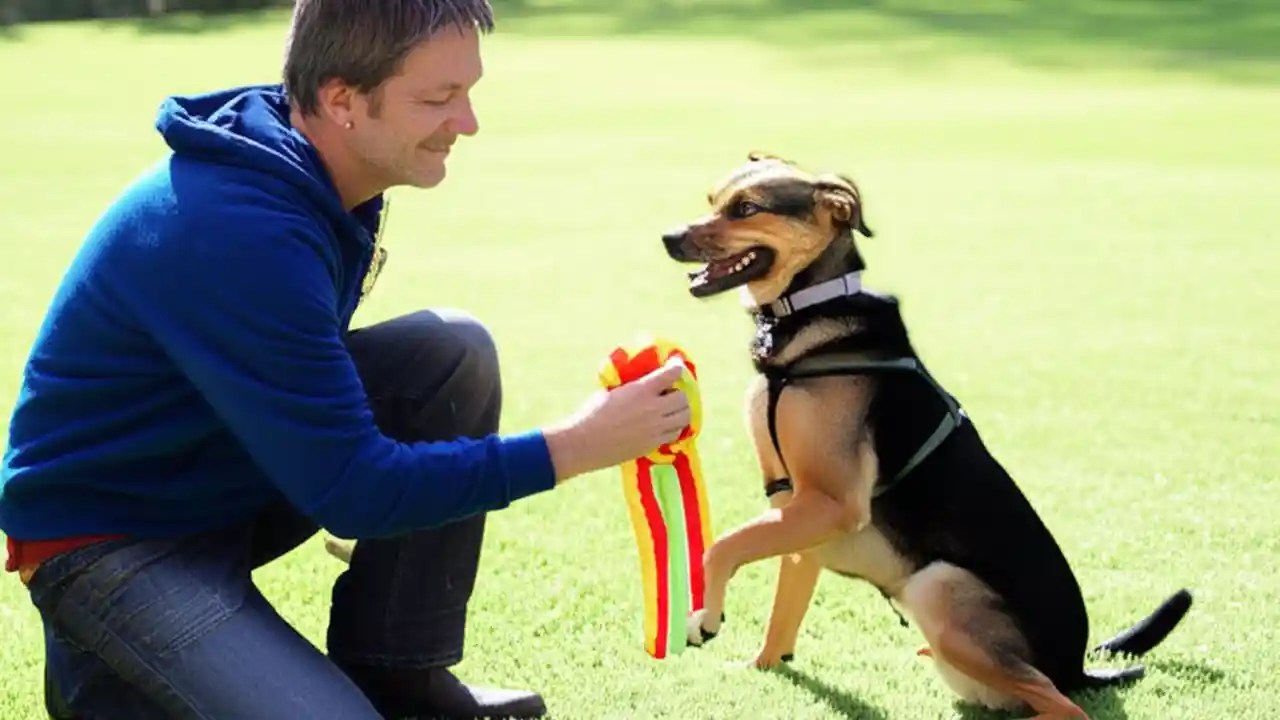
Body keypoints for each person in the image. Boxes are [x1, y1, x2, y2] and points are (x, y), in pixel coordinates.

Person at [0, 1, 692, 718]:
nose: (466, 122)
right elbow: (354, 490)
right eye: (438, 99)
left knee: (449, 355)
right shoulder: (244, 228)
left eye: (467, 91)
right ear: (342, 101)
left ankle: (402, 680)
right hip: (111, 541)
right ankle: (102, 672)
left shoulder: (311, 168)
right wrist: (576, 445)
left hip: (212, 484)